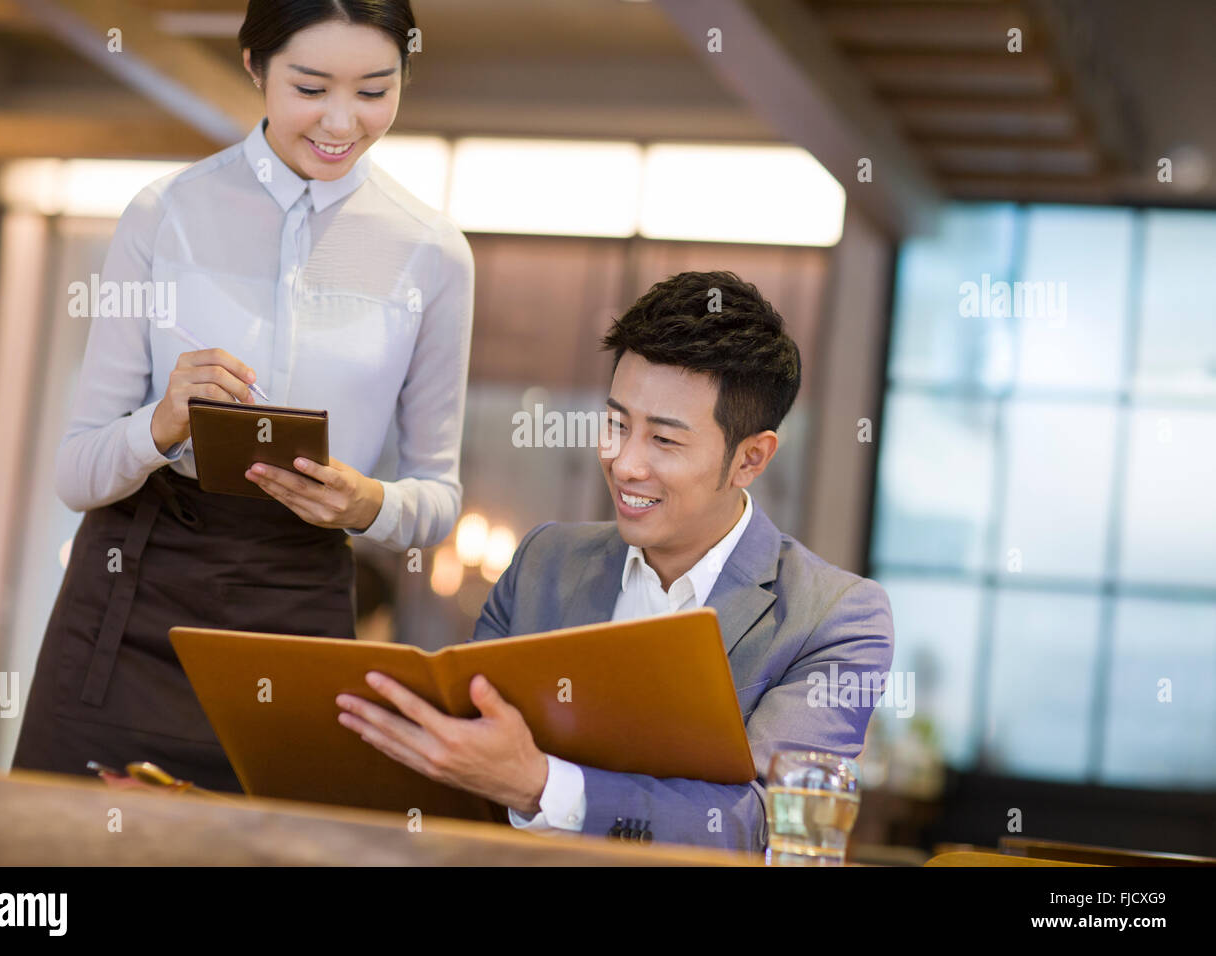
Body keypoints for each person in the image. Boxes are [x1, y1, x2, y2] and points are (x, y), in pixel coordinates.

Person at [13, 0, 473, 792]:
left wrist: (367, 505)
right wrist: (160, 425)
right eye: (310, 86)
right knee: (62, 850)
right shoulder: (166, 215)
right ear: (256, 68)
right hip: (135, 586)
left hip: (297, 601)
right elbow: (75, 473)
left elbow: (438, 495)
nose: (341, 121)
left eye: (374, 90)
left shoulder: (431, 254)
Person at [334, 271, 893, 853]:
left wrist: (543, 786)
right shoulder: (543, 562)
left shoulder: (835, 618)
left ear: (750, 458)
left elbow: (764, 825)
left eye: (665, 441)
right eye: (617, 424)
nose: (624, 463)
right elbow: (465, 758)